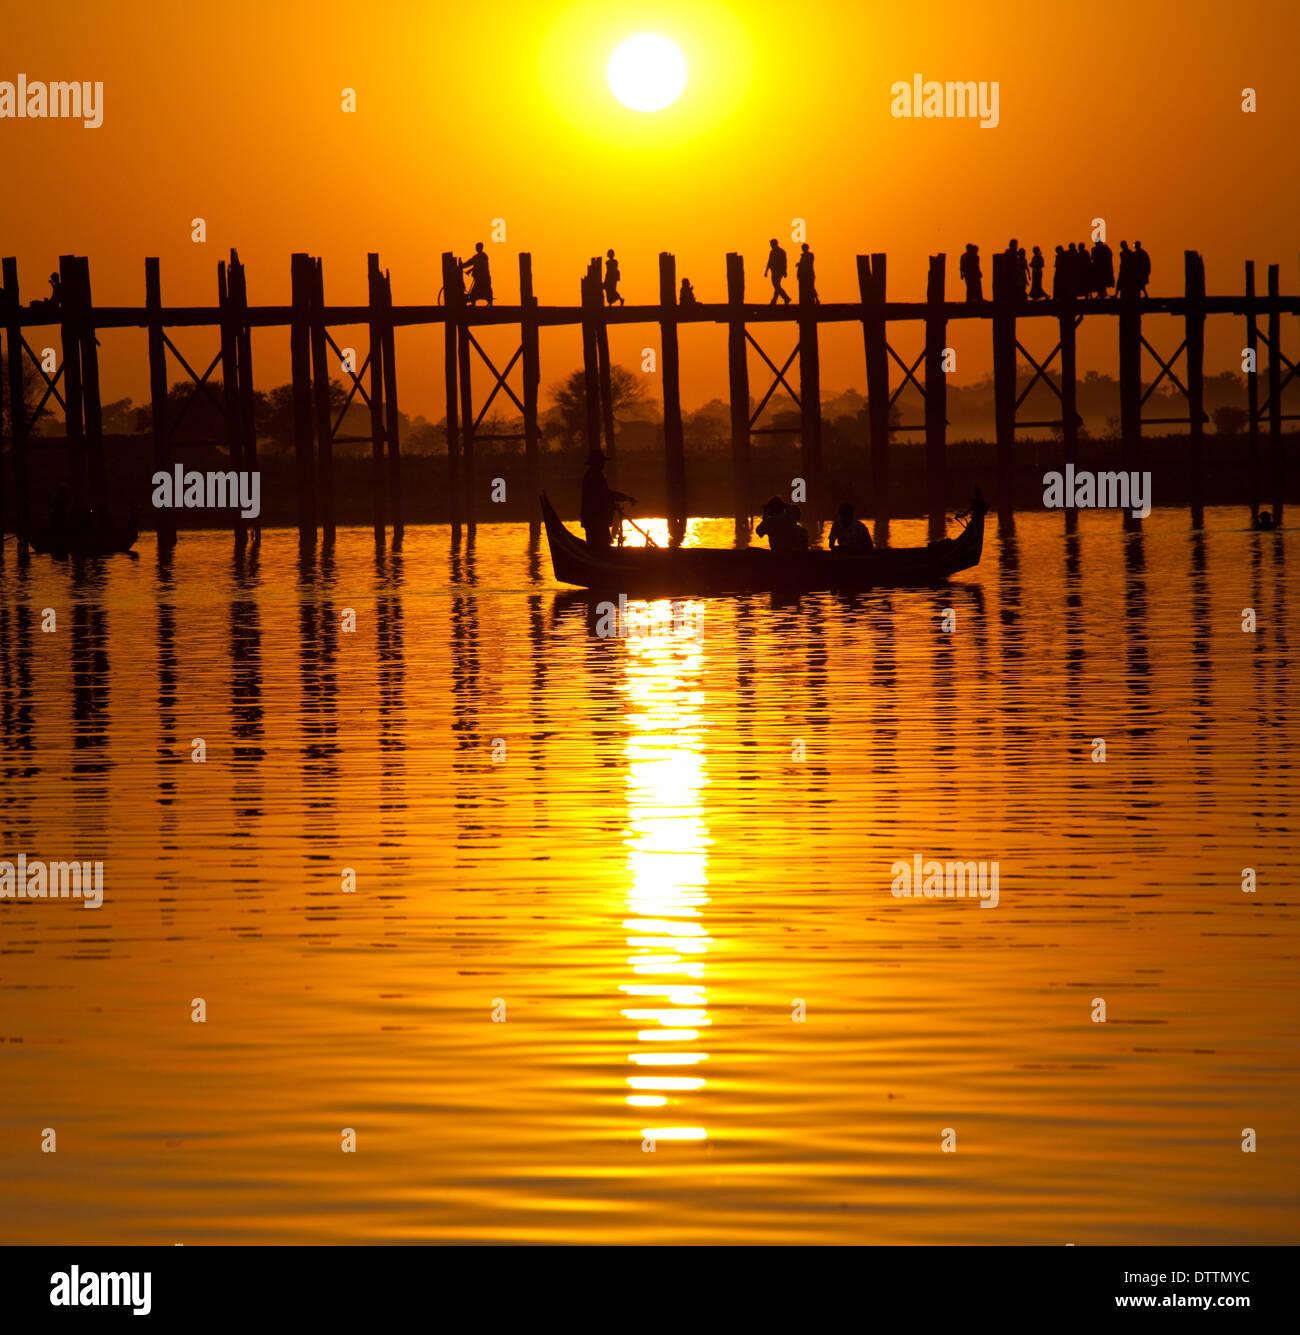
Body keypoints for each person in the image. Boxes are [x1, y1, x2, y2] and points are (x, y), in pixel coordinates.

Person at [580, 450, 633, 547]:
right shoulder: (595, 476)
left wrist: (612, 504)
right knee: (601, 545)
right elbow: (604, 494)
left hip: (593, 520)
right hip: (596, 521)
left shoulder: (591, 475)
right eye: (602, 461)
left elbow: (601, 496)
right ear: (598, 462)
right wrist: (626, 498)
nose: (603, 464)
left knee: (598, 546)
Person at [765, 239, 791, 306]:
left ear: (775, 244)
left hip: (779, 271)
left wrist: (785, 271)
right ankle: (786, 298)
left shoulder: (781, 252)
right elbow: (769, 261)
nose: (771, 245)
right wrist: (766, 271)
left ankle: (775, 301)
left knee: (776, 285)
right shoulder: (772, 252)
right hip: (773, 271)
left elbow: (784, 262)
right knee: (777, 286)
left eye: (772, 244)